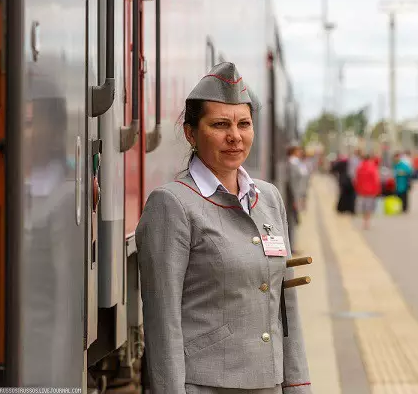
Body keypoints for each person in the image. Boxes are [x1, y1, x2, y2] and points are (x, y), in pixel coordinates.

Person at [136, 63, 312, 394]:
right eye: (220, 124)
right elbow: (163, 322)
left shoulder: (269, 198)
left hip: (270, 384)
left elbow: (286, 309)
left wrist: (298, 385)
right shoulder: (171, 204)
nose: (235, 136)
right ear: (191, 133)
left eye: (243, 124)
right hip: (203, 385)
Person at [354, 154, 381, 229]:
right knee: (369, 206)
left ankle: (364, 221)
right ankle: (367, 222)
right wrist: (377, 190)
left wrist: (357, 189)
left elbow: (356, 180)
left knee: (363, 206)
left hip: (361, 190)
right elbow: (376, 180)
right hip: (371, 191)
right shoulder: (372, 168)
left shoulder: (359, 168)